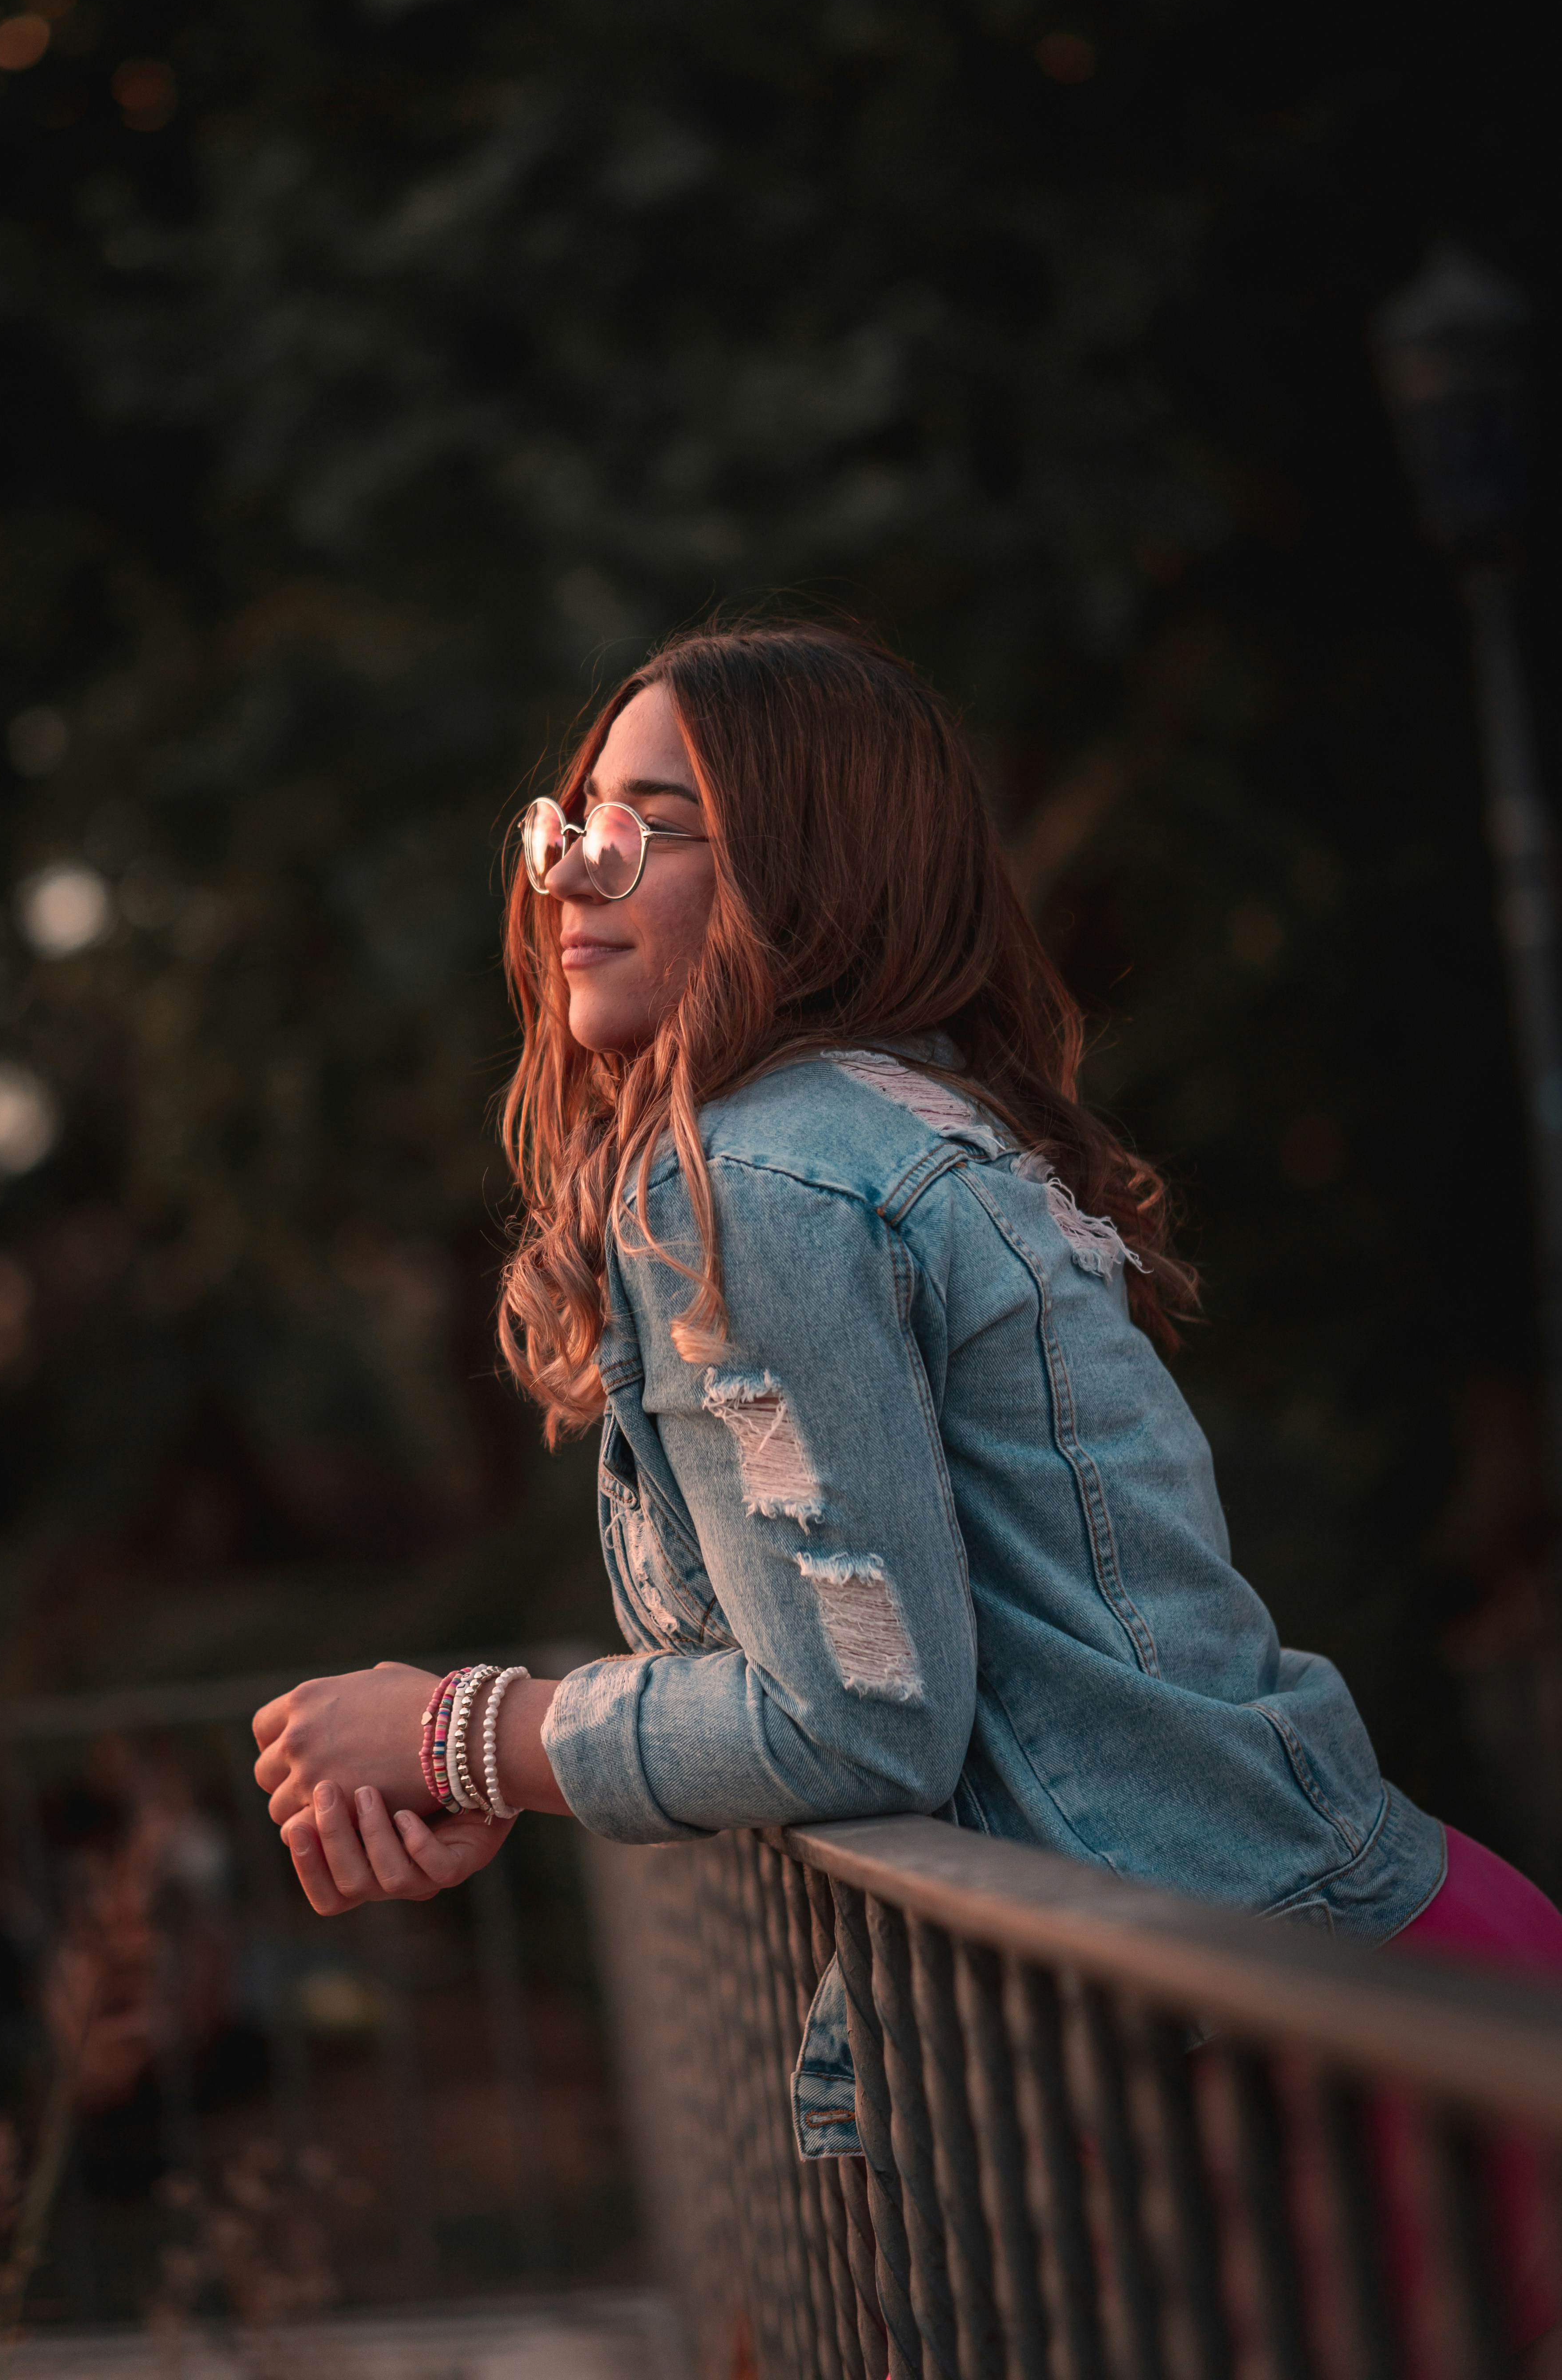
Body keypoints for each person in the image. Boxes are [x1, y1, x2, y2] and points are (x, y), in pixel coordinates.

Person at [252, 621, 1562, 2358]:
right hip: (1337, 1977)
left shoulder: (753, 1191)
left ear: (813, 872)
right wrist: (533, 1768)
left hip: (1269, 2074)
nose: (573, 873)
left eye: (651, 821)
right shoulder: (896, 1125)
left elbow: (854, 1721)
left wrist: (459, 1736)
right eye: (561, 824)